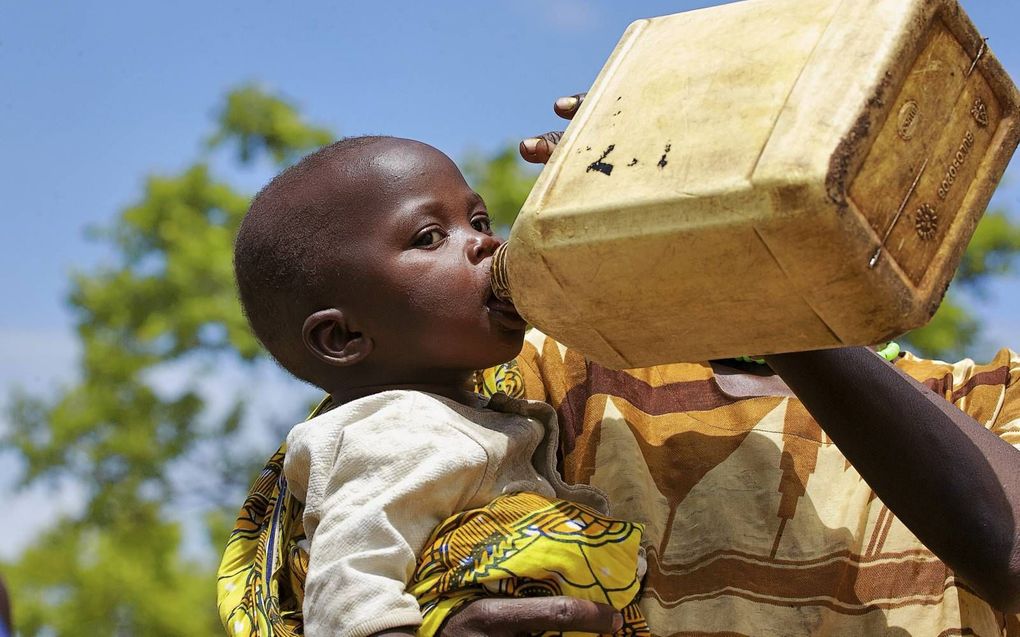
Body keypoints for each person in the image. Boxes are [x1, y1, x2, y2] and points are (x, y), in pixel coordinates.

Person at [218, 96, 1020, 636]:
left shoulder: (980, 402)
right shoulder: (513, 382)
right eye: (433, 236)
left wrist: (771, 297)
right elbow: (326, 563)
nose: (485, 243)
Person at [219, 135, 650, 637]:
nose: (486, 243)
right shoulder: (386, 435)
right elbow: (349, 591)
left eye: (481, 221)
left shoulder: (472, 411)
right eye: (429, 237)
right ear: (344, 336)